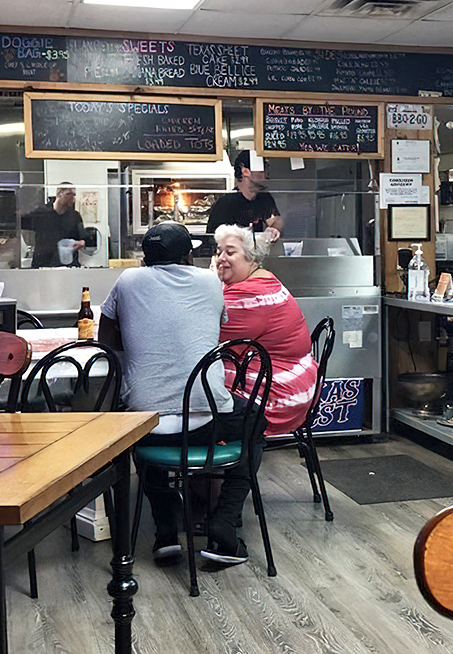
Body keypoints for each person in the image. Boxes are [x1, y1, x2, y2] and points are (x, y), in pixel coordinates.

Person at [98, 221, 266, 567]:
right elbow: (213, 328)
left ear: (144, 259)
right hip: (206, 419)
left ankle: (165, 532)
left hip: (148, 422)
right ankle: (223, 523)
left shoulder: (127, 280)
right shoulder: (210, 281)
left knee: (138, 431)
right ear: (189, 255)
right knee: (256, 423)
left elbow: (106, 342)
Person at [214, 224, 318, 437]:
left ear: (250, 257)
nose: (221, 258)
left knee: (196, 380)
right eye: (218, 252)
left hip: (281, 395)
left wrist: (211, 280)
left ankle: (225, 458)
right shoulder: (262, 279)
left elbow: (207, 334)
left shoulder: (250, 294)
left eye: (230, 252)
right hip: (295, 380)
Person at [206, 149, 284, 242]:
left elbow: (276, 220)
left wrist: (274, 229)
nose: (267, 174)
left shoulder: (264, 198)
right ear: (246, 172)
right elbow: (212, 238)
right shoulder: (226, 203)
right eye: (263, 168)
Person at [21, 183, 86, 268]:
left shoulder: (74, 216)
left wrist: (80, 243)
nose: (72, 198)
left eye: (74, 195)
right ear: (59, 194)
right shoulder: (41, 214)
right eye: (69, 194)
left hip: (67, 266)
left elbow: (82, 239)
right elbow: (20, 223)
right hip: (43, 266)